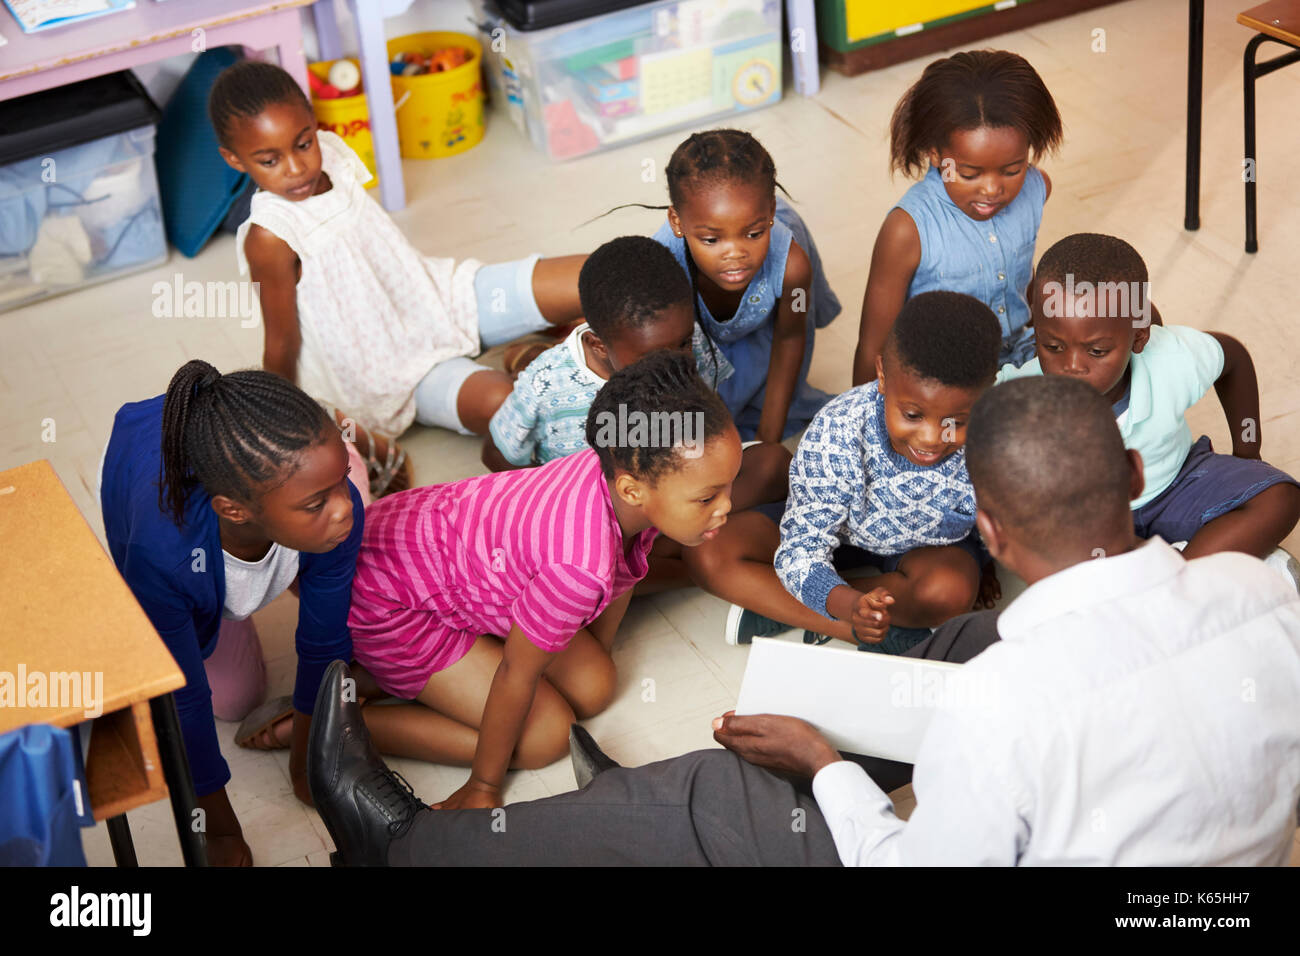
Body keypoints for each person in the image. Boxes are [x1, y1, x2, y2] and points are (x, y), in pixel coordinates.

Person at [308, 375, 1300, 866]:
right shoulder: (1269, 592)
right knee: (963, 645)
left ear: (987, 526)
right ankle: (624, 812)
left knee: (733, 798)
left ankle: (414, 851)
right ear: (1133, 475)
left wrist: (825, 763)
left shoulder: (1009, 710)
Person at [341, 351, 743, 811]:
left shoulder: (625, 478)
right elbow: (517, 671)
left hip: (441, 563)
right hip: (391, 601)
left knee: (595, 684)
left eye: (730, 484)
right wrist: (484, 787)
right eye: (708, 496)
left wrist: (582, 654)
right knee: (545, 739)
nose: (726, 506)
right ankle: (344, 719)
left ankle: (384, 678)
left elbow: (621, 580)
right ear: (634, 490)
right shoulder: (576, 568)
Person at [208, 60, 587, 495]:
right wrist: (279, 424)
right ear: (234, 159)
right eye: (270, 160)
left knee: (591, 277)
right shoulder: (271, 238)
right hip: (387, 372)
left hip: (435, 298)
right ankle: (535, 359)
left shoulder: (331, 152)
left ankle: (537, 349)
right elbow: (281, 342)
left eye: (302, 143)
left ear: (314, 124)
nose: (296, 168)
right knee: (510, 405)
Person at [100, 360, 364, 866]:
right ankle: (234, 596)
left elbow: (325, 642)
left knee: (337, 509)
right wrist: (219, 830)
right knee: (233, 698)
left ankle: (337, 476)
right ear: (233, 509)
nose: (343, 509)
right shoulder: (162, 555)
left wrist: (310, 760)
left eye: (340, 484)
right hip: (180, 550)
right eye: (317, 503)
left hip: (263, 522)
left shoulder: (336, 505)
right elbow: (183, 702)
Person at [482, 235, 788, 594]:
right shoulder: (549, 383)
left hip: (676, 498)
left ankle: (691, 556)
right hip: (611, 521)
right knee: (597, 570)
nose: (677, 360)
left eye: (683, 343)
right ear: (598, 344)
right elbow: (495, 452)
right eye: (654, 355)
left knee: (773, 465)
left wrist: (698, 492)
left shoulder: (687, 344)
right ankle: (699, 572)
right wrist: (552, 502)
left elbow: (705, 428)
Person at [715, 291, 1002, 649]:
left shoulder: (995, 437)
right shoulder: (839, 430)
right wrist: (848, 605)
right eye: (912, 415)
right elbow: (802, 546)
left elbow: (996, 514)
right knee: (712, 550)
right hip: (842, 534)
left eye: (956, 422)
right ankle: (847, 620)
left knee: (950, 591)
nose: (931, 439)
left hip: (924, 549)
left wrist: (986, 564)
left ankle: (774, 605)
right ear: (882, 376)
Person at [1000, 232, 1300, 569]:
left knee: (1281, 498)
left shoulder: (1171, 357)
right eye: (1051, 347)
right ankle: (1183, 574)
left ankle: (1177, 577)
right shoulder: (1017, 392)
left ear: (1139, 337)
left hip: (1177, 485)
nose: (1071, 366)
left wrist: (1249, 450)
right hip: (1090, 523)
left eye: (1097, 351)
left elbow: (1234, 359)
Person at [612, 128, 841, 443]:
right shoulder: (663, 267)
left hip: (785, 307)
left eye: (753, 234)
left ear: (771, 213)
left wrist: (767, 441)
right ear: (677, 223)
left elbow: (791, 336)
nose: (735, 254)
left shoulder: (794, 270)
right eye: (711, 239)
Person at [853, 50, 1063, 386]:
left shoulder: (1037, 188)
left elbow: (1024, 276)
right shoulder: (907, 230)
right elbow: (873, 346)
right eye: (969, 174)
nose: (993, 189)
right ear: (935, 153)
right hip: (943, 377)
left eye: (1012, 169)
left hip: (1019, 353)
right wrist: (863, 424)